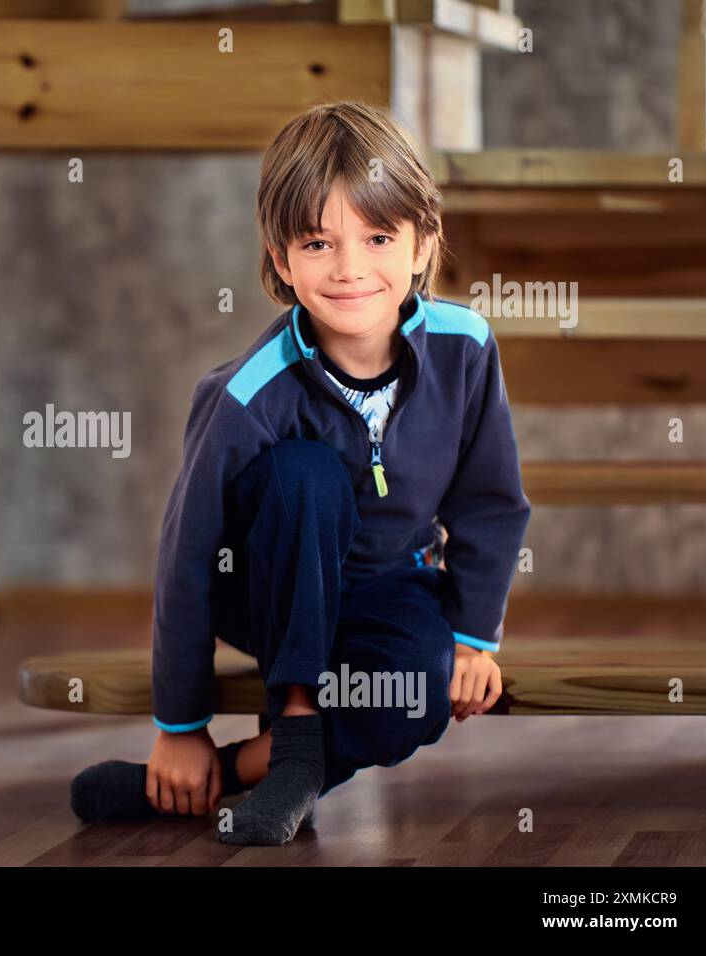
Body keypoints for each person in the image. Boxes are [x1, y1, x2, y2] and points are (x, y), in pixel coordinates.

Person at [71, 101, 532, 846]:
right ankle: (291, 722)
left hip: (390, 585)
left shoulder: (466, 349)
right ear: (280, 260)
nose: (351, 268)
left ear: (422, 245)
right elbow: (187, 557)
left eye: (379, 237)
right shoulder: (245, 396)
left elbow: (491, 501)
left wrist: (476, 636)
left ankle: (240, 773)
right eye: (318, 243)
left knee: (417, 690)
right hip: (268, 585)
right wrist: (178, 725)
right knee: (306, 475)